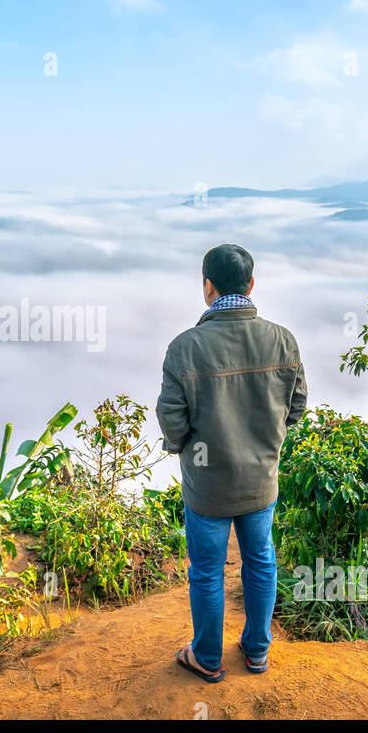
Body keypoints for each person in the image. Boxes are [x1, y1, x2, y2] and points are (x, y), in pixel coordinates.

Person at [156, 243, 307, 682]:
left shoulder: (186, 348)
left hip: (208, 484)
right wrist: (266, 441)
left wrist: (187, 446)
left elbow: (172, 419)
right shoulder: (282, 339)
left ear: (208, 288)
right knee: (260, 560)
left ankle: (206, 656)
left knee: (207, 569)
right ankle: (257, 651)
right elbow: (295, 406)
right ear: (251, 284)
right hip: (261, 480)